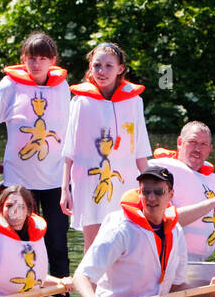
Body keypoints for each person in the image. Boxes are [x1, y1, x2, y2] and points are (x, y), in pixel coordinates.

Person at [72, 166, 215, 297]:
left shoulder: (175, 230)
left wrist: (209, 288)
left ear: (170, 195)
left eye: (158, 192)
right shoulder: (119, 229)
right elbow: (81, 276)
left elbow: (177, 287)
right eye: (146, 192)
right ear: (139, 193)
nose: (151, 197)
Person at [0, 31, 72, 280]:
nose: (36, 63)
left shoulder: (61, 86)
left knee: (57, 245)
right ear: (23, 59)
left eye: (42, 58)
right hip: (19, 181)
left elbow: (71, 129)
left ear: (53, 61)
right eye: (31, 58)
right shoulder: (11, 85)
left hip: (54, 180)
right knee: (20, 240)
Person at [61, 42, 151, 250]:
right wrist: (65, 189)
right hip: (88, 182)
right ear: (90, 68)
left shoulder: (134, 101)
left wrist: (149, 185)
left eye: (109, 66)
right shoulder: (80, 102)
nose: (102, 71)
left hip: (124, 182)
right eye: (97, 65)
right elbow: (69, 150)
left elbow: (140, 150)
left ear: (120, 69)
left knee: (124, 241)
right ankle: (88, 283)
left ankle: (117, 283)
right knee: (92, 244)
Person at [150, 121, 215, 262]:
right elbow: (161, 220)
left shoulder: (213, 181)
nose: (197, 149)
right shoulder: (160, 172)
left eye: (203, 144)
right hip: (166, 261)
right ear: (180, 142)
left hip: (199, 264)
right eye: (193, 142)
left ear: (210, 149)